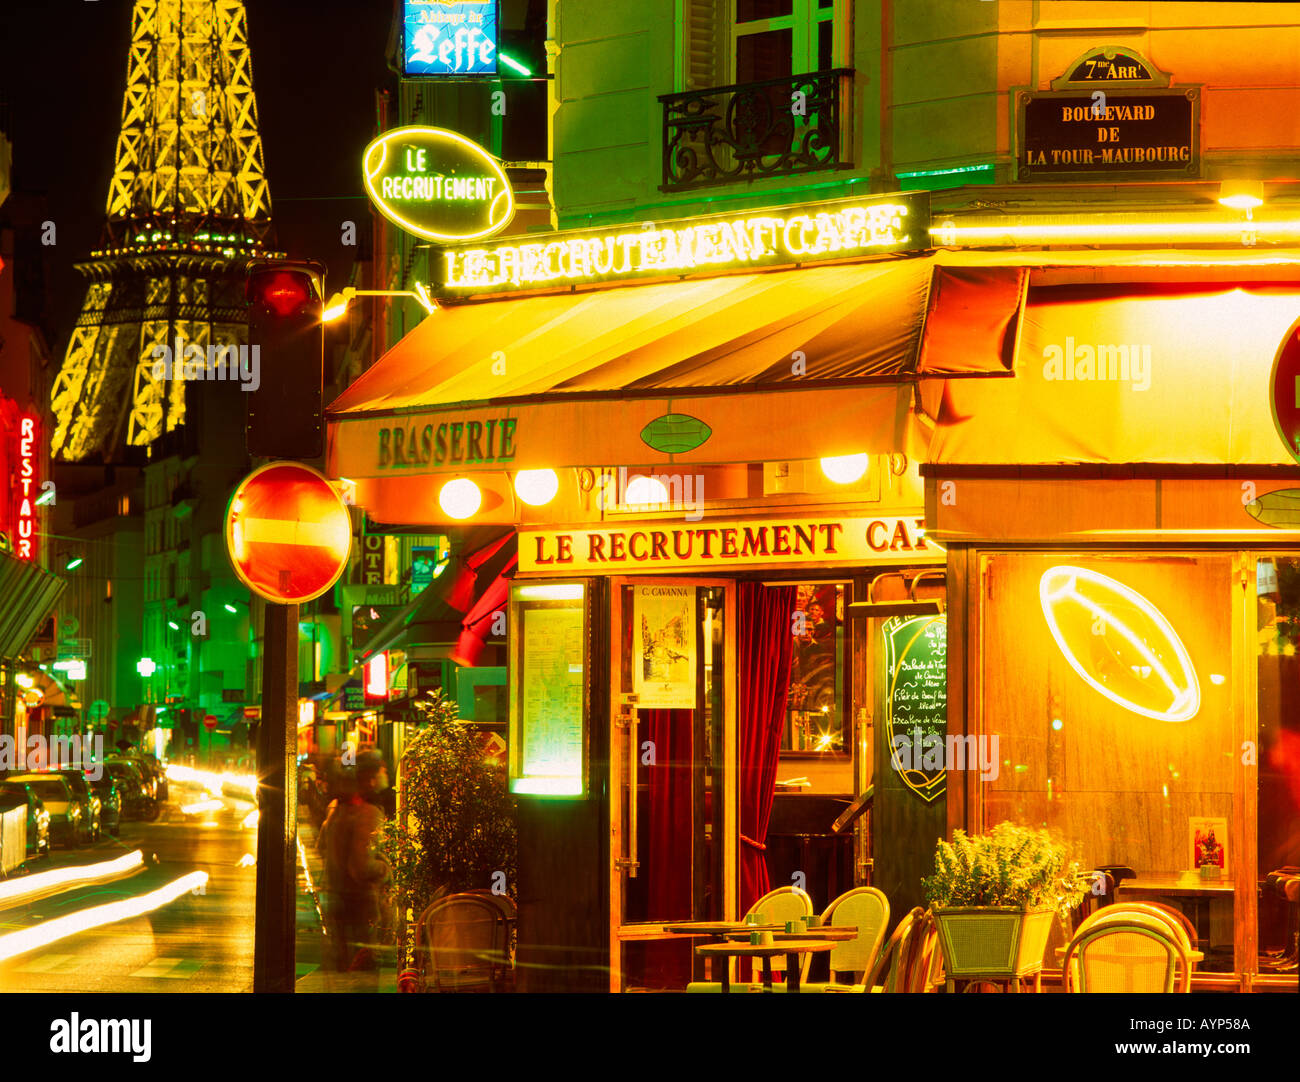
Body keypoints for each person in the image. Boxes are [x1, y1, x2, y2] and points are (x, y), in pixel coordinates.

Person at [318, 751, 390, 972]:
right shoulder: (368, 814)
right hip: (360, 905)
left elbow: (321, 846)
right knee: (363, 971)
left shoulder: (338, 808)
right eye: (382, 769)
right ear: (371, 778)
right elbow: (361, 867)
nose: (386, 773)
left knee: (342, 967)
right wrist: (385, 868)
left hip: (337, 898)